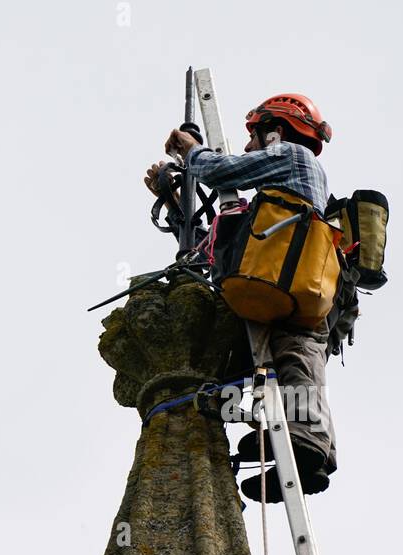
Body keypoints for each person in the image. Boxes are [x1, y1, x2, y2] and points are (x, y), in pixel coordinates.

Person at [145, 94, 338, 504]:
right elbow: (214, 250)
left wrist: (191, 150)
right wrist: (176, 200)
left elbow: (221, 171)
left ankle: (307, 443)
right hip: (287, 286)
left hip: (291, 282)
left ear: (276, 130)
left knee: (297, 359)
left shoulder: (291, 156)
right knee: (287, 361)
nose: (249, 147)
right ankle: (300, 455)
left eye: (253, 138)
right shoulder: (275, 202)